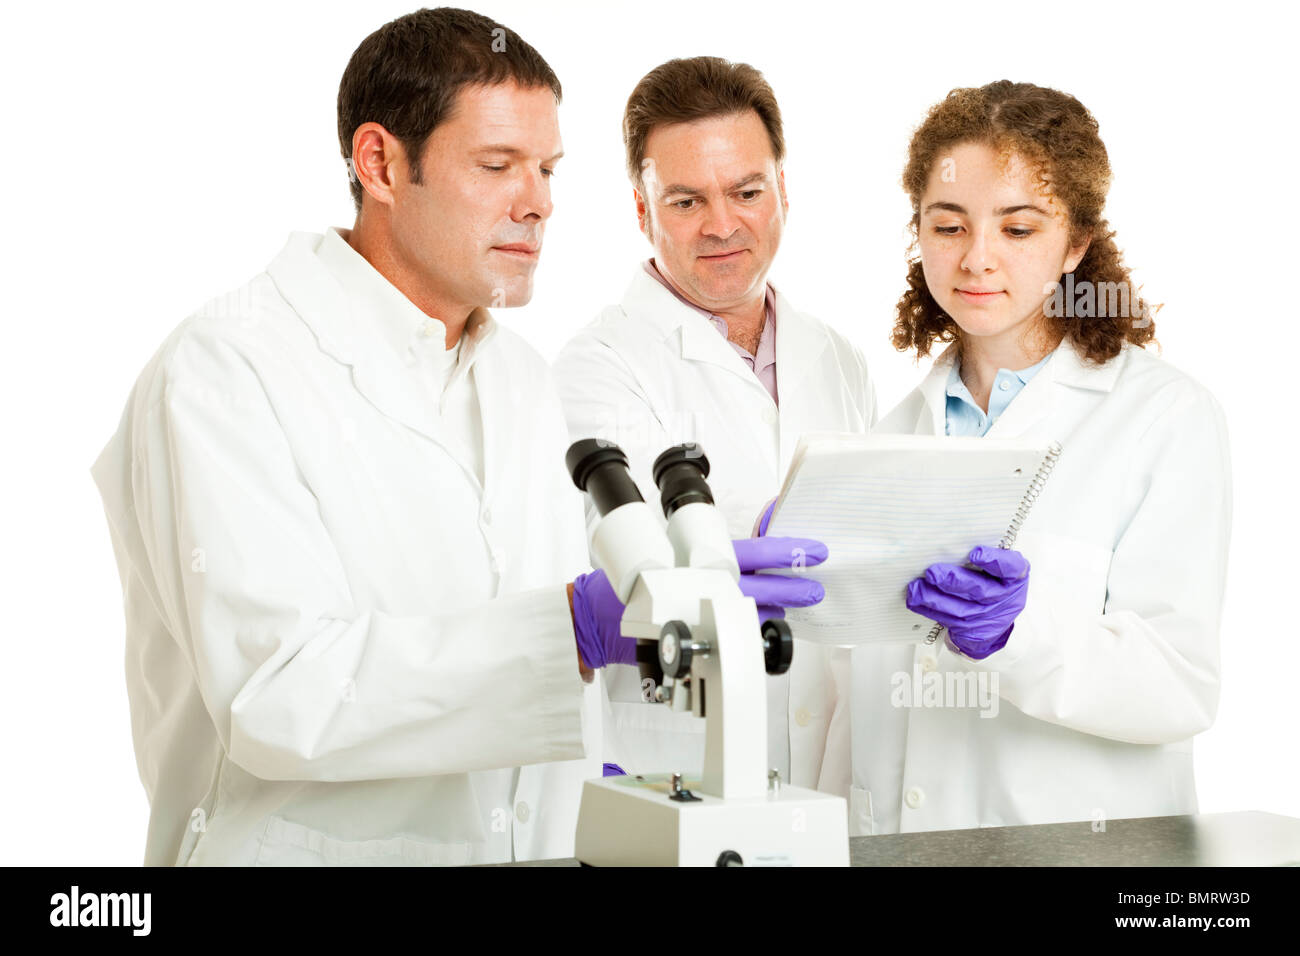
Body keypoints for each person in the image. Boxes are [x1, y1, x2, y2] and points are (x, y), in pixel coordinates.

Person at [90, 7, 817, 867]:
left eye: (547, 168)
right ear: (381, 163)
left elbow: (539, 663)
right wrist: (569, 633)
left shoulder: (515, 377)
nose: (539, 202)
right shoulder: (226, 369)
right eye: (497, 165)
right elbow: (278, 694)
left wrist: (677, 605)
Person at [825, 80, 1231, 835]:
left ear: (1075, 241)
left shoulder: (1163, 418)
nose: (978, 259)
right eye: (949, 226)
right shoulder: (892, 434)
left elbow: (1181, 684)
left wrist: (1021, 634)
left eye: (1019, 229)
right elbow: (854, 698)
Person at [553, 57, 875, 790]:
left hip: (826, 775)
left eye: (747, 191)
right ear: (642, 210)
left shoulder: (841, 360)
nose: (723, 225)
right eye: (686, 201)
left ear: (783, 191)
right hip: (678, 764)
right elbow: (637, 560)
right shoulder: (596, 365)